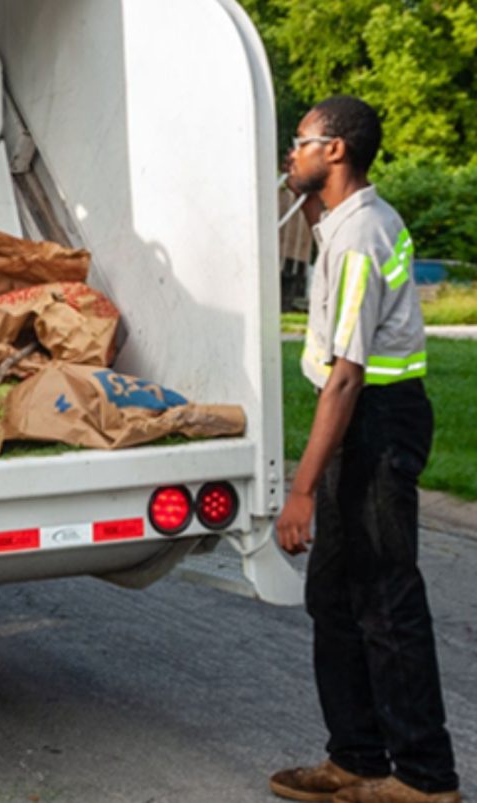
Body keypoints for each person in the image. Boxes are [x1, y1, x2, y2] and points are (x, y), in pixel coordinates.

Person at [268, 96, 460, 803]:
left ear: (336, 151)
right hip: (370, 418)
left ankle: (424, 776)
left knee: (384, 598)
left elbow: (346, 377)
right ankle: (356, 758)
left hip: (376, 422)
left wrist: (301, 490)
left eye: (301, 141)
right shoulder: (350, 223)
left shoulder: (359, 238)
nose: (292, 151)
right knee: (335, 594)